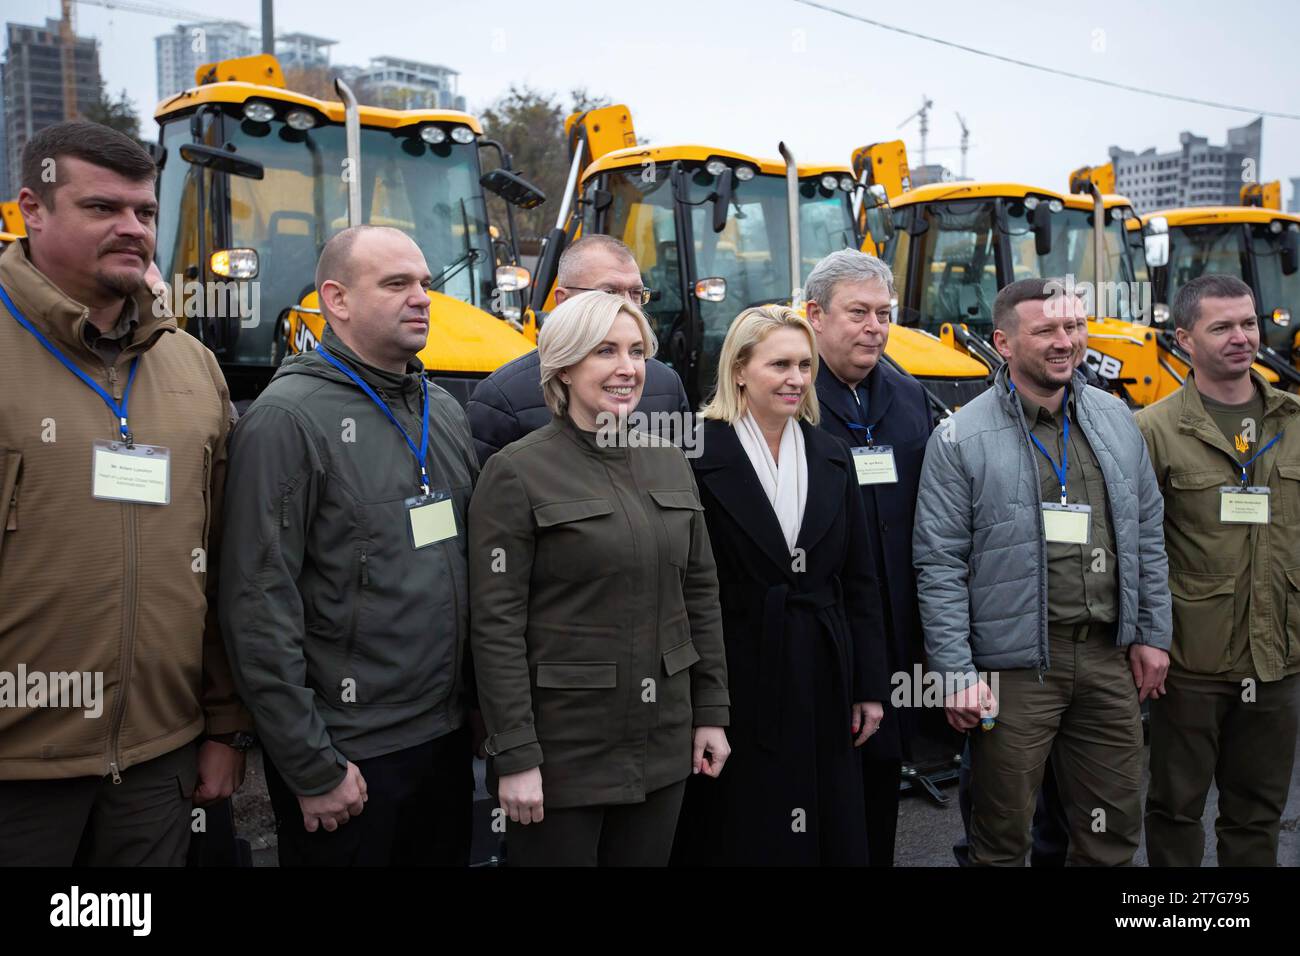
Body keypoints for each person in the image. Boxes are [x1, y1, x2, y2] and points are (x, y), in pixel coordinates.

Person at [0, 121, 250, 865]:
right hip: (18, 770)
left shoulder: (192, 367)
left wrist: (221, 725)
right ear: (31, 209)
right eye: (103, 208)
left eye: (144, 211)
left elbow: (221, 562)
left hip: (155, 764)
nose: (132, 229)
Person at [220, 225, 478, 866]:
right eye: (397, 284)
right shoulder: (287, 419)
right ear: (336, 299)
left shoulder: (441, 407)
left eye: (424, 282)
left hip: (443, 741)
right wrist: (311, 765)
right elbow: (258, 604)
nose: (422, 297)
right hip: (351, 755)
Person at [913, 277, 1171, 866]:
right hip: (1014, 669)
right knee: (1001, 838)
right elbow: (939, 562)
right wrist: (954, 672)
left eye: (1075, 327)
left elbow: (1147, 536)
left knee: (1111, 833)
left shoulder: (1115, 419)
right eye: (1048, 330)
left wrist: (1154, 633)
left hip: (1107, 659)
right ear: (1003, 342)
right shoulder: (959, 437)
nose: (1066, 341)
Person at [468, 290, 729, 866]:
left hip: (661, 743)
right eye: (605, 351)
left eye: (637, 351)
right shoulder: (516, 471)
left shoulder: (667, 458)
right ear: (563, 366)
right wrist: (514, 755)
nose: (627, 368)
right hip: (564, 754)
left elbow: (700, 597)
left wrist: (711, 712)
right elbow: (495, 627)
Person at [674, 304, 888, 866]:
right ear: (739, 369)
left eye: (804, 365)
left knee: (824, 818)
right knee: (742, 823)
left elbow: (860, 581)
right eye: (779, 365)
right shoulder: (693, 451)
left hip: (822, 664)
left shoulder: (831, 454)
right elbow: (682, 585)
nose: (796, 379)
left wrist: (868, 684)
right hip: (736, 665)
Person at [1136, 274, 1300, 866]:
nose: (1242, 337)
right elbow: (1135, 548)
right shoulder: (1153, 430)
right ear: (1184, 339)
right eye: (1222, 326)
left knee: (1258, 812)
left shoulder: (1295, 421)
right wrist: (1145, 640)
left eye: (1249, 323)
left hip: (1278, 657)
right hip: (1190, 663)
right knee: (1176, 808)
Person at [804, 249, 930, 867]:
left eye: (883, 313)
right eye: (858, 313)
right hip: (820, 627)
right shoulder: (787, 395)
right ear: (814, 315)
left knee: (882, 776)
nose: (874, 327)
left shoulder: (908, 397)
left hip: (895, 623)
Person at [466, 235, 690, 464]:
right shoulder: (502, 398)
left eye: (636, 294)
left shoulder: (667, 385)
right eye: (609, 293)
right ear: (563, 300)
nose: (627, 306)